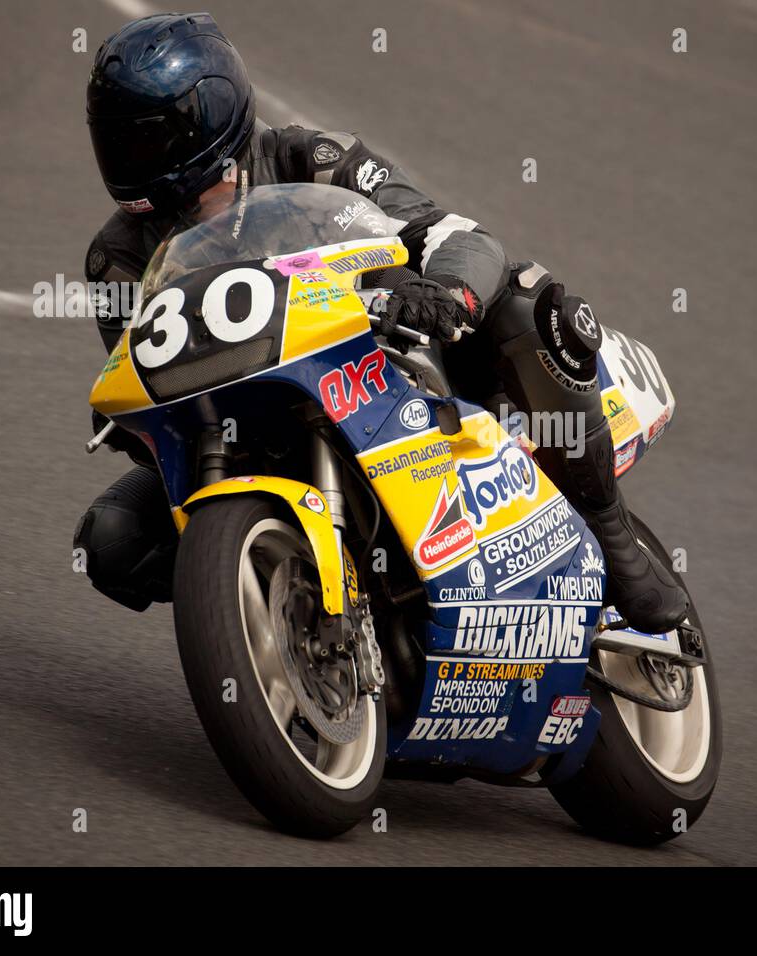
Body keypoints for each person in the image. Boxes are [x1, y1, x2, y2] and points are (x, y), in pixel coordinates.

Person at [75, 13, 688, 633]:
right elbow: (146, 372)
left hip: (391, 365)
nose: (129, 159)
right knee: (113, 539)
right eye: (115, 140)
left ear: (208, 113)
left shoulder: (313, 159)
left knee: (532, 299)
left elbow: (455, 236)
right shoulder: (118, 258)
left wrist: (446, 292)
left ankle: (609, 532)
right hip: (253, 427)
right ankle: (273, 613)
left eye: (144, 139)